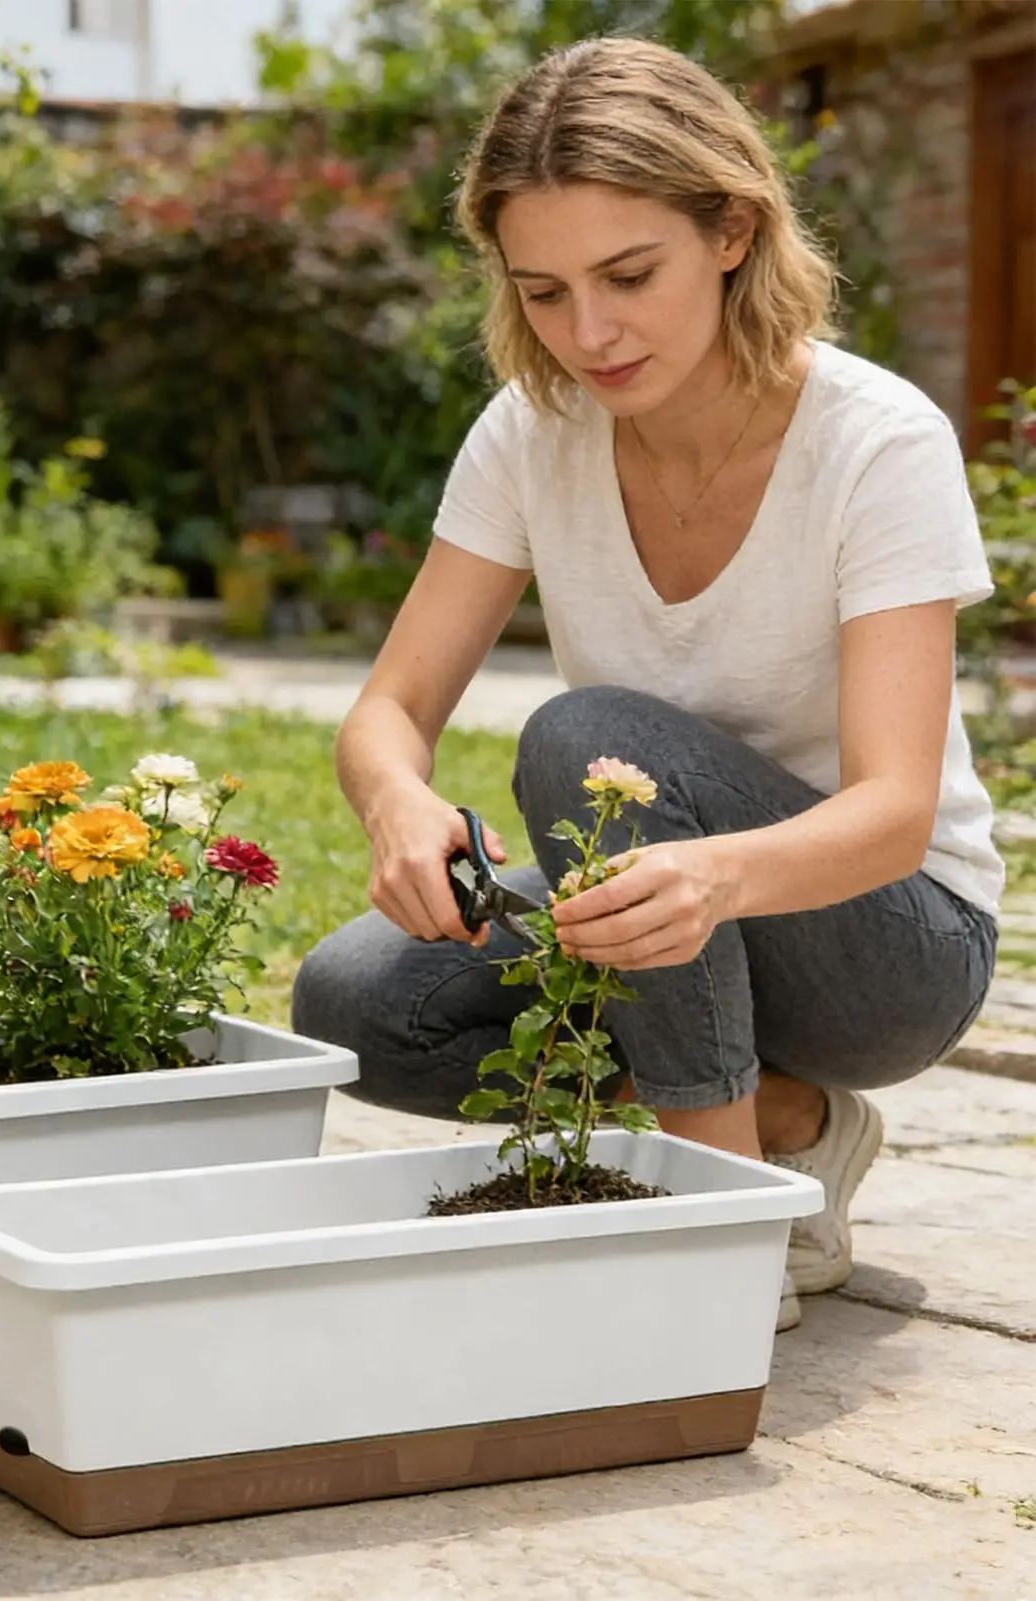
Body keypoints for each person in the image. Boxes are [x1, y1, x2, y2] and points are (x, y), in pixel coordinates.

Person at [290, 37, 1001, 1334]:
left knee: (584, 737)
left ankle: (717, 1229)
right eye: (544, 291)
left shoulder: (877, 441)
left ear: (731, 230)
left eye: (629, 276)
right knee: (359, 1002)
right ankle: (787, 1123)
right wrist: (396, 804)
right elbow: (390, 710)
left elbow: (897, 812)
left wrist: (715, 875)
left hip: (884, 944)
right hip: (664, 905)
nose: (589, 334)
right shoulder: (531, 434)